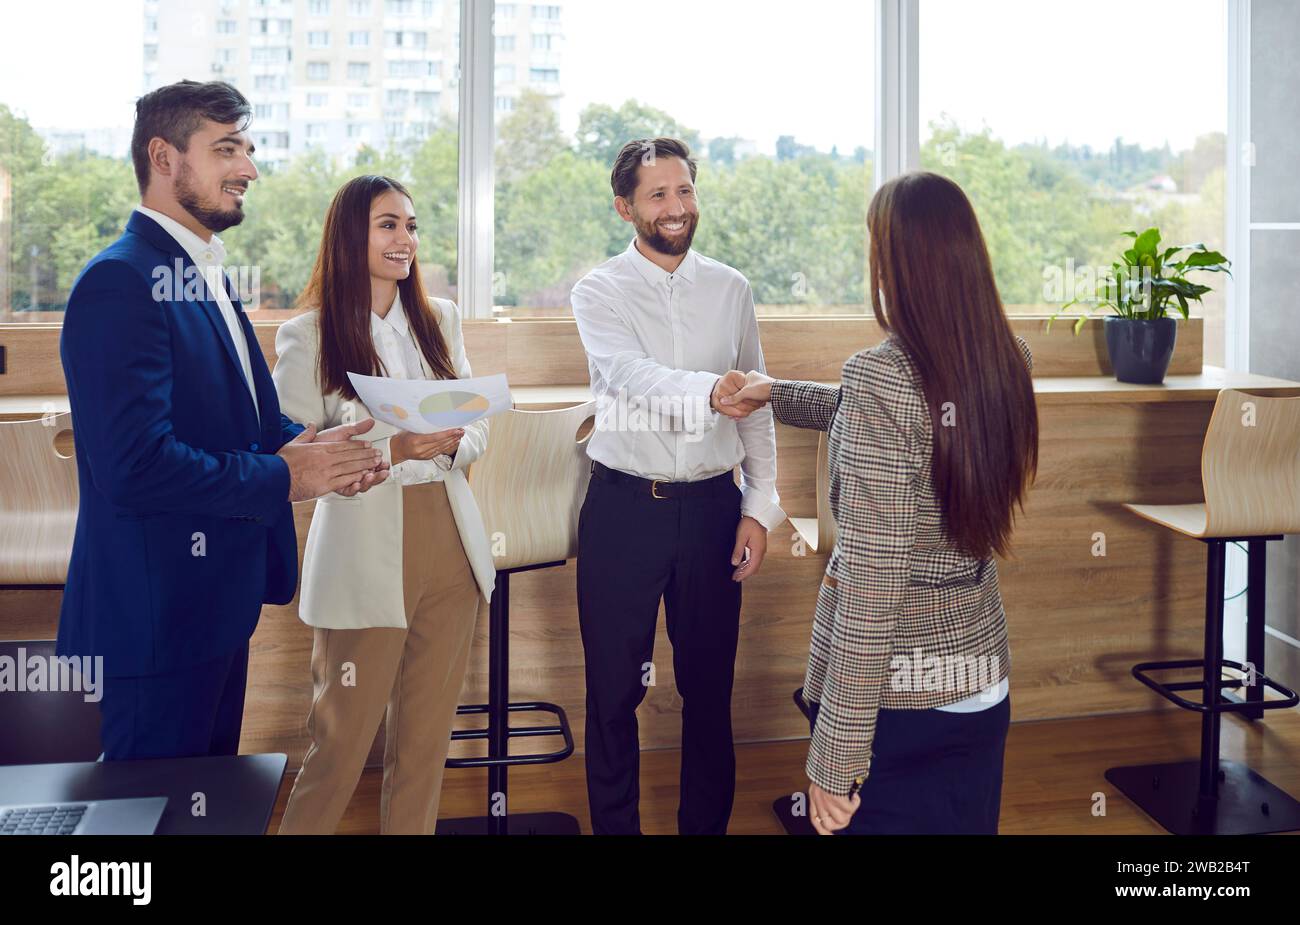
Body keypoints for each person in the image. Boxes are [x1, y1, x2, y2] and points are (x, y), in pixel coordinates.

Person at [57, 80, 387, 762]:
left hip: (212, 612)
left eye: (250, 149)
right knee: (148, 824)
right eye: (227, 149)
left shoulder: (202, 269)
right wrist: (282, 476)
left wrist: (314, 452)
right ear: (164, 155)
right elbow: (137, 467)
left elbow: (242, 423)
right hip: (155, 623)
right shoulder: (119, 281)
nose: (250, 169)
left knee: (207, 812)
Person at [721, 170, 1038, 834]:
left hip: (902, 701)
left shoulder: (882, 375)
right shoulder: (1005, 358)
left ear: (896, 264)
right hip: (980, 680)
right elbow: (911, 423)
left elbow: (874, 581)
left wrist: (834, 760)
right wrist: (775, 391)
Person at [570, 137, 784, 835]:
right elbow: (629, 375)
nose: (675, 207)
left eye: (684, 190)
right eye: (658, 194)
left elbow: (757, 406)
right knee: (611, 695)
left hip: (712, 512)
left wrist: (758, 506)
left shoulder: (732, 289)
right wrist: (712, 392)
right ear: (624, 206)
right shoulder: (598, 290)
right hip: (624, 510)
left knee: (708, 691)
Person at [273, 175, 495, 835]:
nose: (406, 239)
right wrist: (394, 449)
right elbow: (292, 457)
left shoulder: (441, 320)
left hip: (450, 542)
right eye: (388, 225)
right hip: (365, 547)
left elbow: (478, 421)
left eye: (412, 225)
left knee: (425, 748)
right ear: (351, 235)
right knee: (339, 746)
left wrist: (455, 442)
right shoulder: (306, 334)